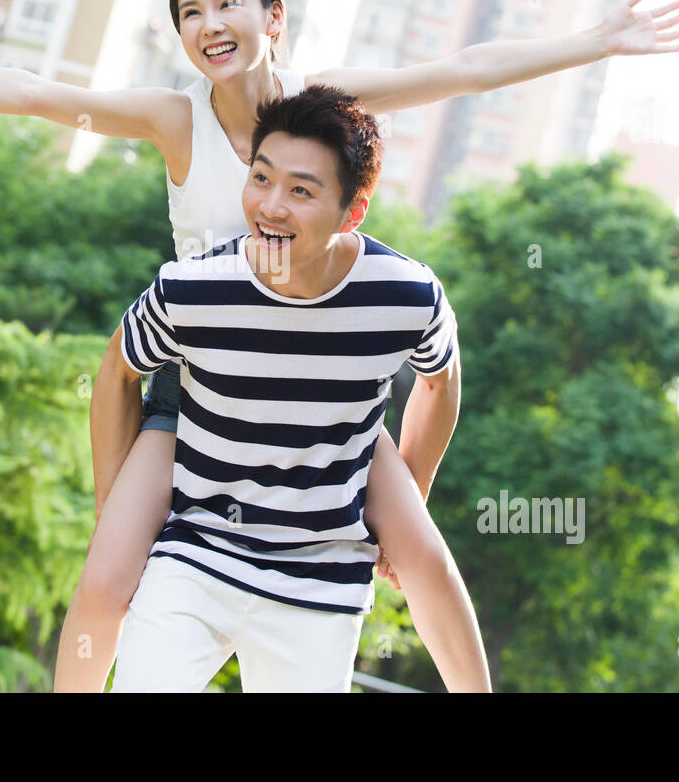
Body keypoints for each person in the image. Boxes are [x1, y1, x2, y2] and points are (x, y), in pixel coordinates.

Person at [0, 0, 679, 691]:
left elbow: (460, 70)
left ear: (273, 16)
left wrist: (597, 42)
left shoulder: (326, 106)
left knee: (424, 557)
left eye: (228, 4)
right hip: (206, 395)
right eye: (190, 13)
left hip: (324, 394)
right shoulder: (173, 120)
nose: (210, 25)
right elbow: (39, 94)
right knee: (108, 578)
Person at [110, 83, 474, 690]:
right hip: (198, 553)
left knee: (432, 564)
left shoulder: (406, 296)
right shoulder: (192, 290)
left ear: (352, 212)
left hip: (321, 576)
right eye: (261, 178)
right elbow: (119, 369)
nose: (271, 206)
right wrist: (112, 501)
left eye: (301, 191)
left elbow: (439, 384)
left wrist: (414, 486)